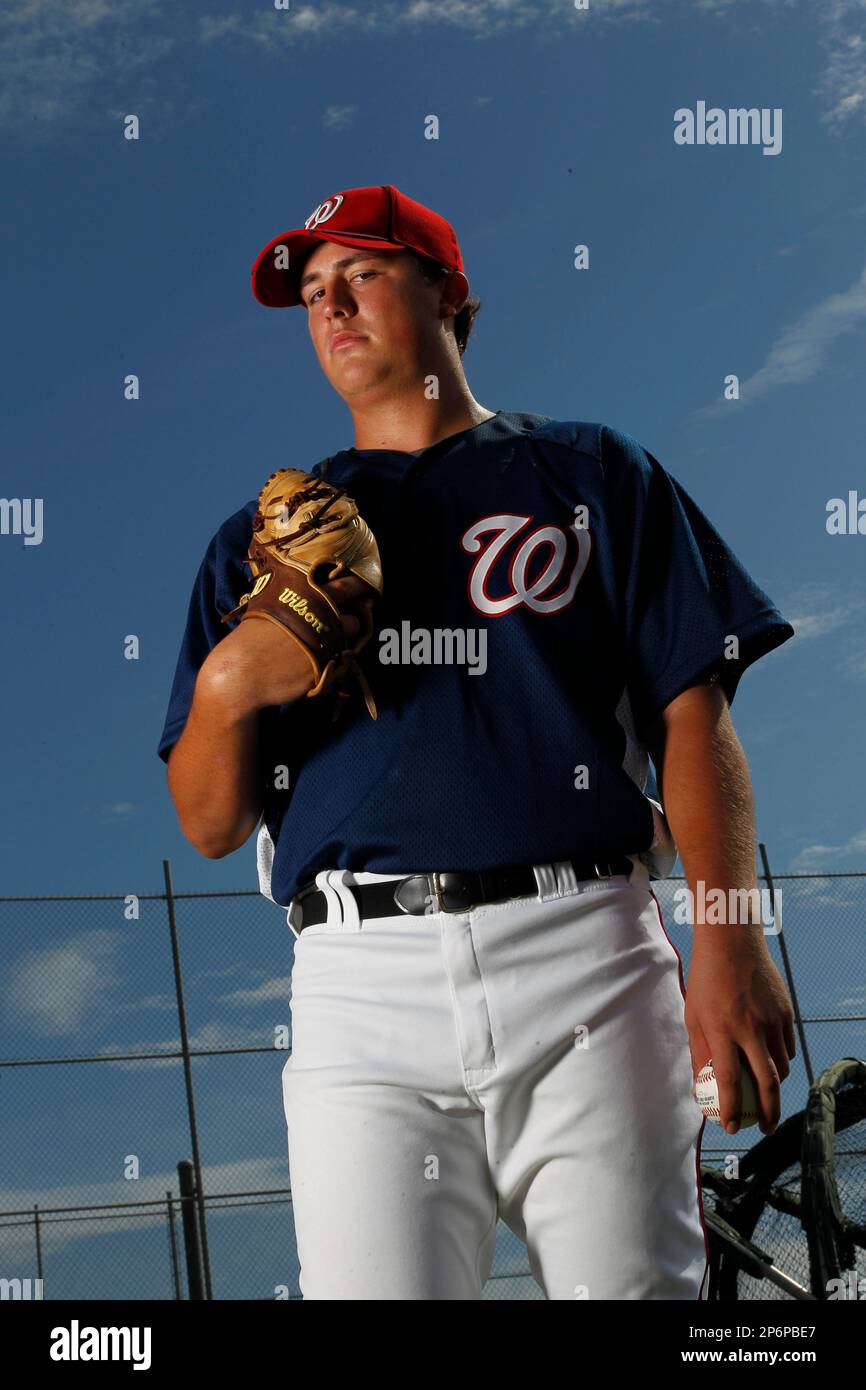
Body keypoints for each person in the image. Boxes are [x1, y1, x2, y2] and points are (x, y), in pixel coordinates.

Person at [158, 184, 797, 1301]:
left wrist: (729, 943)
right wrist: (226, 682)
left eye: (360, 273)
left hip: (586, 951)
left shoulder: (593, 472)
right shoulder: (262, 541)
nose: (330, 307)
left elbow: (693, 717)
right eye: (311, 293)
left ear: (448, 292)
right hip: (359, 984)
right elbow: (210, 824)